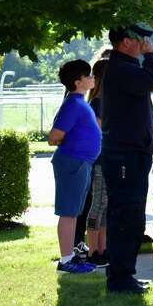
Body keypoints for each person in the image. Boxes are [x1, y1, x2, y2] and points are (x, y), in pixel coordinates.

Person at [101, 25, 153, 295]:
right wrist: (151, 57)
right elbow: (150, 81)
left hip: (133, 153)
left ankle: (124, 275)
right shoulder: (122, 68)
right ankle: (120, 278)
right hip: (124, 154)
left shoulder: (125, 66)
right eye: (141, 40)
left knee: (132, 215)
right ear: (126, 42)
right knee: (126, 215)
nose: (145, 44)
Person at [49, 59, 100, 274]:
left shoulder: (79, 102)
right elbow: (54, 136)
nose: (93, 78)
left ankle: (70, 257)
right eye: (88, 75)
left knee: (74, 212)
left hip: (81, 163)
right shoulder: (73, 104)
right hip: (73, 163)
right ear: (78, 81)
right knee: (69, 213)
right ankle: (66, 260)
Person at [78, 55, 110, 267]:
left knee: (105, 204)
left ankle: (102, 248)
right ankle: (93, 250)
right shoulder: (97, 102)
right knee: (97, 204)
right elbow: (100, 130)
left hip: (108, 159)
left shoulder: (104, 102)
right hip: (99, 160)